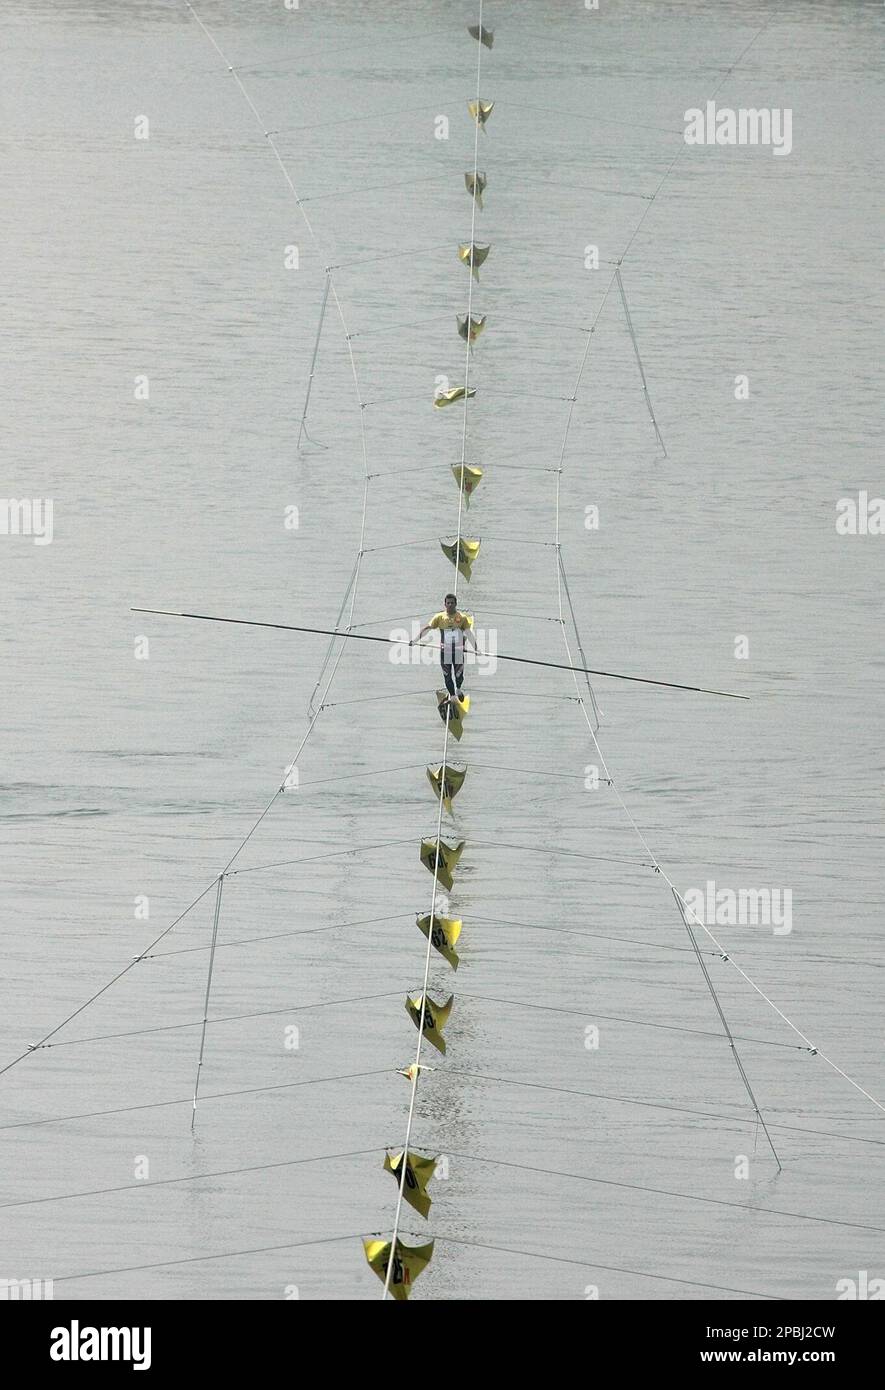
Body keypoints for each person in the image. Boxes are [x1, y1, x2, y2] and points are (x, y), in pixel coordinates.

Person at [412, 593, 477, 699]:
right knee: (447, 676)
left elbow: (469, 633)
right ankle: (452, 696)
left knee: (458, 675)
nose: (450, 605)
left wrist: (476, 649)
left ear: (456, 604)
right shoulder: (439, 617)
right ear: (445, 604)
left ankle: (459, 689)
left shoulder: (462, 618)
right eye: (448, 603)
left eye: (452, 603)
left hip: (458, 652)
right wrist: (415, 640)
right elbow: (427, 629)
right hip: (445, 652)